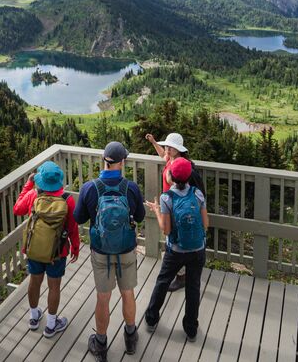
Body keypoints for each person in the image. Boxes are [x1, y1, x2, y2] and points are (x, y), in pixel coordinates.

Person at [74, 142, 146, 362]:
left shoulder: (90, 187)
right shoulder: (130, 188)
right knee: (128, 293)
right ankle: (131, 336)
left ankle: (101, 342)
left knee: (103, 297)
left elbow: (79, 218)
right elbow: (140, 216)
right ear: (122, 162)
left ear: (104, 160)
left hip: (101, 250)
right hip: (126, 248)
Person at [143, 158, 208, 342]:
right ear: (189, 177)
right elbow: (205, 224)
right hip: (197, 249)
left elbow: (166, 229)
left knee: (163, 280)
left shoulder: (167, 198)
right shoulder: (197, 194)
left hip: (176, 251)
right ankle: (191, 329)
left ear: (170, 177)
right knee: (193, 287)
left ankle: (152, 318)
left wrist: (156, 210)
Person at [13, 160, 80, 338]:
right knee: (54, 286)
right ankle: (51, 325)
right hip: (57, 252)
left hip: (35, 249)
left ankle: (34, 317)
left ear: (40, 180)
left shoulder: (33, 195)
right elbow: (72, 227)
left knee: (34, 281)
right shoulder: (67, 200)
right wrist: (76, 247)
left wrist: (28, 184)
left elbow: (17, 209)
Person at [145, 132, 204, 292]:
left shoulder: (181, 165)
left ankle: (181, 276)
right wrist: (154, 142)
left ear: (179, 149)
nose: (167, 149)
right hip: (170, 203)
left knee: (174, 238)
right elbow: (162, 155)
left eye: (171, 147)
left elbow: (184, 186)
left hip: (177, 206)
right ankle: (182, 272)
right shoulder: (171, 159)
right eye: (167, 146)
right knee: (173, 238)